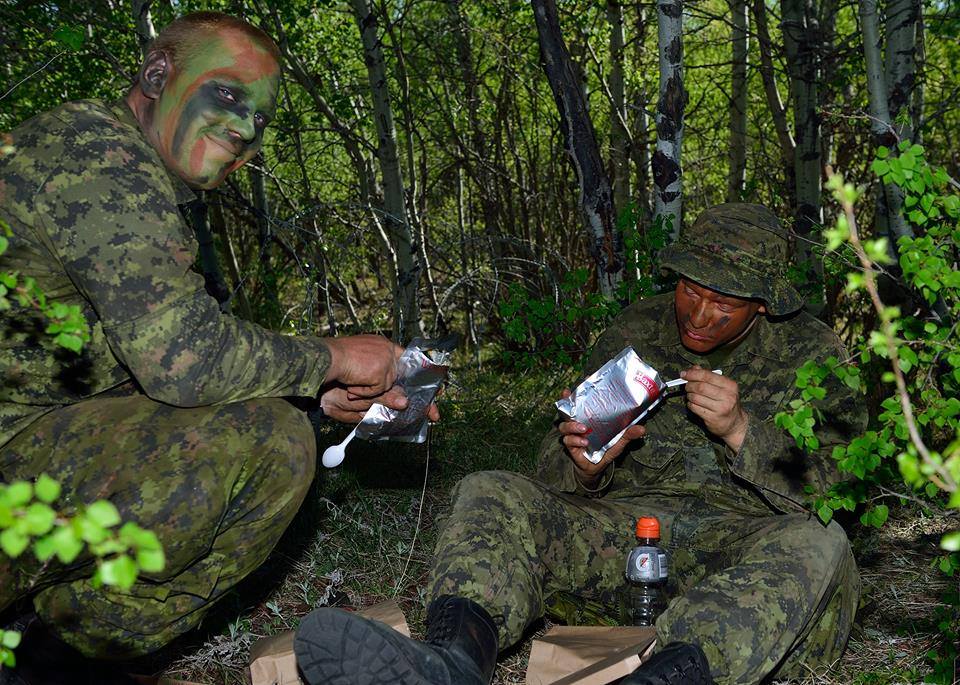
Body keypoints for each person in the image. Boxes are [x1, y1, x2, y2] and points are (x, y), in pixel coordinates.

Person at [0, 11, 430, 682]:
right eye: (229, 93)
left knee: (279, 428)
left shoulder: (143, 181)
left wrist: (321, 397)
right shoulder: (95, 154)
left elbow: (151, 366)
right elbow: (185, 360)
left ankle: (47, 653)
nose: (247, 126)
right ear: (156, 75)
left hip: (25, 446)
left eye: (261, 117)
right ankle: (58, 656)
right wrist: (335, 358)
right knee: (269, 443)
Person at [293, 203, 867, 685]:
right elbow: (557, 457)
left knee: (820, 541)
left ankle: (669, 676)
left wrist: (742, 430)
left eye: (724, 303)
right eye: (690, 289)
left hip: (744, 559)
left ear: (761, 305)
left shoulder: (814, 356)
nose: (697, 313)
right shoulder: (637, 329)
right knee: (490, 490)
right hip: (624, 547)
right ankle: (452, 662)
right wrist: (585, 465)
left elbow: (840, 495)